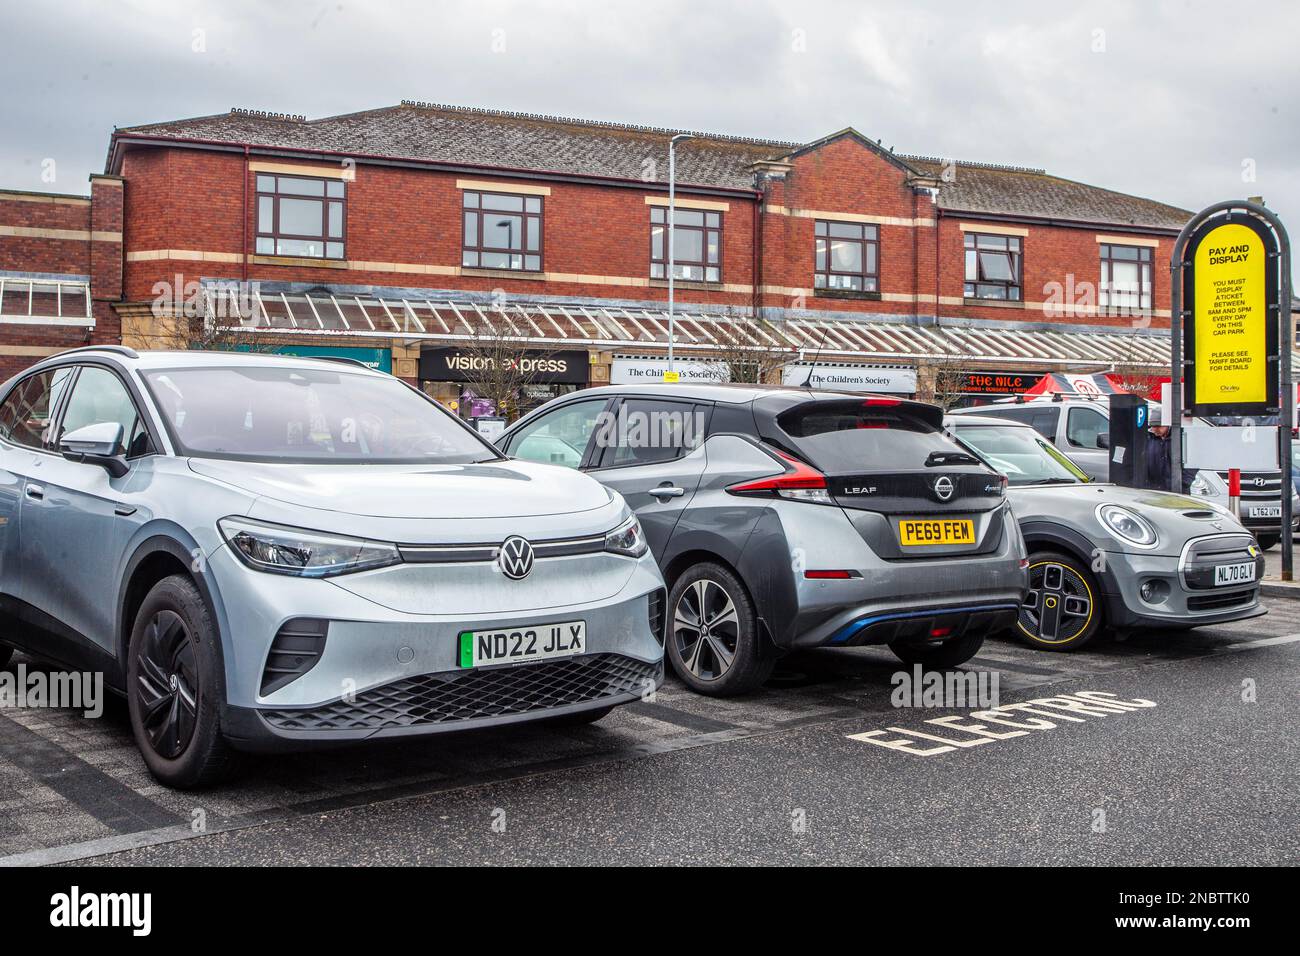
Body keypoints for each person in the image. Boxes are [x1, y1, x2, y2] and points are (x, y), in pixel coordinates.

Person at [1145, 404, 1172, 490]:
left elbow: (1193, 459)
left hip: (1175, 488)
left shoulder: (1180, 438)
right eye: (1153, 426)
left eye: (1158, 426)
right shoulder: (1148, 438)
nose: (1155, 429)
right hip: (1153, 487)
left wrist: (1184, 482)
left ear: (1168, 424)